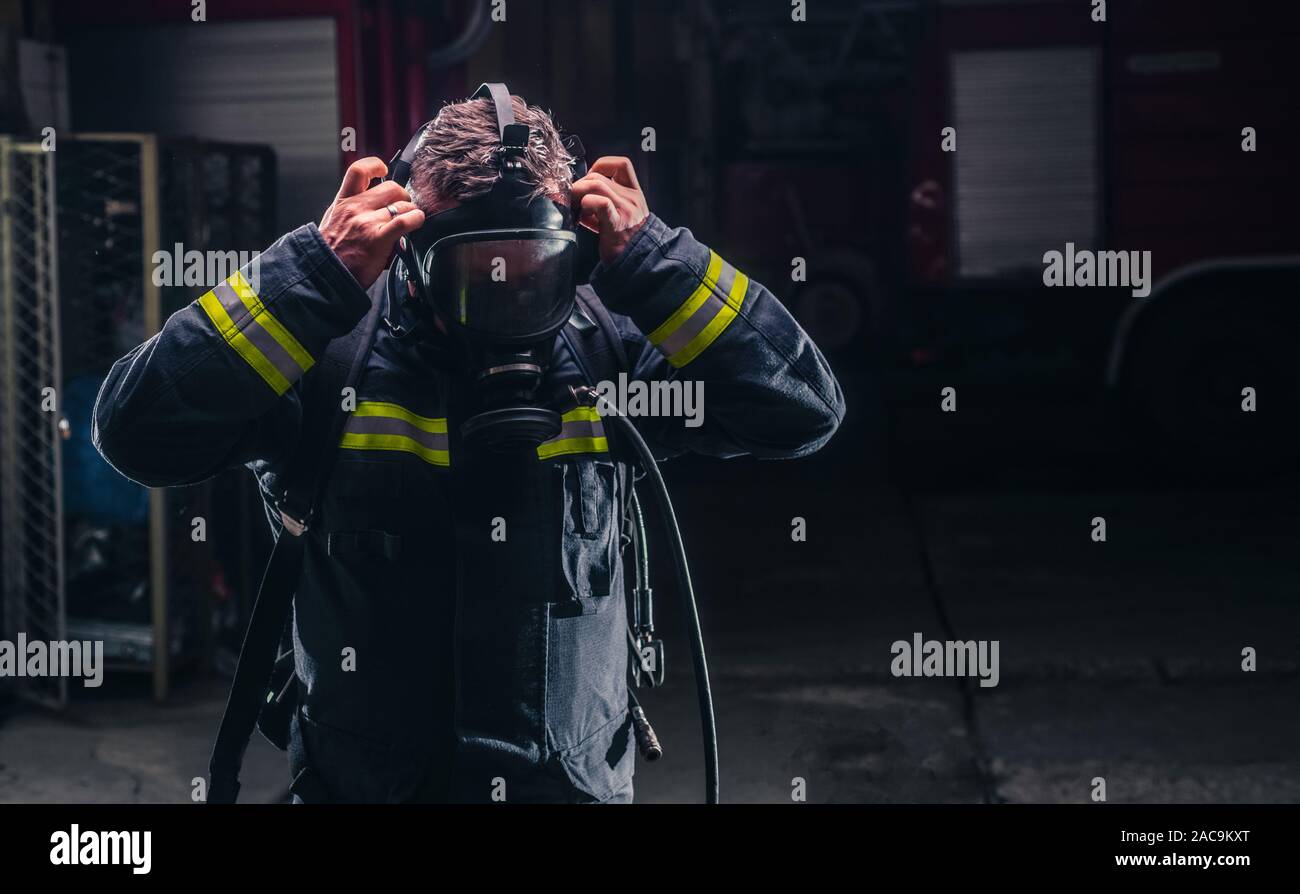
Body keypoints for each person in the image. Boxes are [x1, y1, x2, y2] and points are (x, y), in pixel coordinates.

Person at [93, 91, 844, 803]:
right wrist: (311, 275)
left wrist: (656, 260)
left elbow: (801, 407)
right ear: (413, 254)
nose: (504, 305)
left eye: (534, 276)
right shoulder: (326, 362)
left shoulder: (605, 356)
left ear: (573, 252)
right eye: (473, 275)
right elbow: (136, 431)